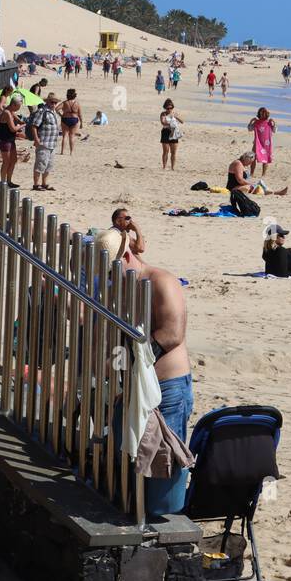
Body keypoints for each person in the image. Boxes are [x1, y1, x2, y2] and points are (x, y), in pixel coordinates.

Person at [101, 210, 192, 519]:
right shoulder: (119, 287)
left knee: (164, 455)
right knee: (131, 449)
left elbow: (172, 333)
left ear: (126, 255)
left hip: (168, 385)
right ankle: (133, 510)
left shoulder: (161, 280)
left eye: (114, 266)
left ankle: (165, 519)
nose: (111, 274)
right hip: (134, 385)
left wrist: (135, 360)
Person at [27, 91, 60, 191]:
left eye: (55, 102)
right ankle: (36, 184)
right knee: (40, 164)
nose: (53, 104)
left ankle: (45, 183)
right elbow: (34, 126)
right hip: (43, 142)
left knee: (49, 165)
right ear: (47, 102)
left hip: (52, 143)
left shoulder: (54, 112)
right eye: (52, 102)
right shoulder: (42, 111)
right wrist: (36, 139)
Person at [0, 95, 24, 186]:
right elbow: (12, 129)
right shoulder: (7, 112)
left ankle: (9, 181)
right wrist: (22, 126)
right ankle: (3, 182)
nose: (19, 108)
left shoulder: (11, 111)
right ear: (14, 105)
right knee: (6, 161)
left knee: (13, 160)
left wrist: (21, 122)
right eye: (19, 106)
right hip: (4, 139)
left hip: (10, 139)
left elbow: (18, 120)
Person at [248, 107, 275, 178]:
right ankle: (252, 173)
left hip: (266, 144)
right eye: (261, 112)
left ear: (267, 114)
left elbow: (274, 130)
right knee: (253, 157)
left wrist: (274, 123)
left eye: (264, 112)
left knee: (265, 158)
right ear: (259, 113)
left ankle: (264, 174)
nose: (263, 114)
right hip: (257, 143)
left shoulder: (269, 123)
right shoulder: (256, 122)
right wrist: (251, 121)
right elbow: (250, 129)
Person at [160, 98, 184, 171]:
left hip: (174, 133)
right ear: (165, 107)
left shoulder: (174, 113)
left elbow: (182, 121)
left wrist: (175, 117)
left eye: (171, 108)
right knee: (165, 151)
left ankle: (172, 167)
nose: (169, 109)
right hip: (166, 132)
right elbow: (163, 122)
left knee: (173, 152)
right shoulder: (163, 114)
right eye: (168, 108)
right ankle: (164, 166)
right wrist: (171, 123)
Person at [59, 87, 83, 155]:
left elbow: (56, 109)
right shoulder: (77, 103)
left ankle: (62, 152)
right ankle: (71, 152)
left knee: (65, 136)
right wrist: (81, 123)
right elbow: (80, 114)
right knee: (72, 136)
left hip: (65, 119)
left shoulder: (65, 102)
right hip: (74, 119)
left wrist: (61, 115)